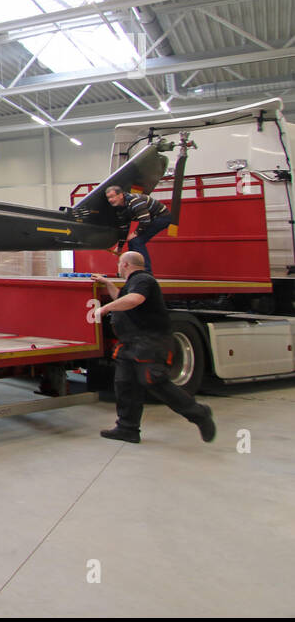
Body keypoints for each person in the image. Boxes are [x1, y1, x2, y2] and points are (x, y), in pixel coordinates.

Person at [92, 251, 215, 444]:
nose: (117, 267)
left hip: (149, 342)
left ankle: (199, 414)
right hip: (129, 343)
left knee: (154, 382)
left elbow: (134, 300)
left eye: (118, 264)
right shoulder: (132, 284)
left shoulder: (143, 280)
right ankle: (127, 428)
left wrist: (105, 308)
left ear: (125, 264)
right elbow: (124, 300)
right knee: (125, 385)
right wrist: (107, 284)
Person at [104, 184, 171, 273]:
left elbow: (145, 220)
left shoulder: (134, 200)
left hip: (162, 217)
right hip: (150, 218)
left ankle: (146, 272)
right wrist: (120, 246)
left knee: (136, 240)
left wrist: (135, 233)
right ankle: (133, 270)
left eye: (112, 197)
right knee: (132, 242)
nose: (110, 200)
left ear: (120, 195)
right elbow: (124, 228)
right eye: (108, 198)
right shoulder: (120, 209)